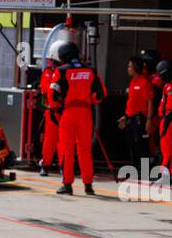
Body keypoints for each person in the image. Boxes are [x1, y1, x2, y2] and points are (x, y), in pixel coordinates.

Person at [52, 41, 105, 196]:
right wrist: (89, 101)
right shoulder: (91, 71)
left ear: (63, 56)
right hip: (85, 113)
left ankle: (67, 185)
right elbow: (101, 94)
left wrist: (57, 106)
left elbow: (53, 94)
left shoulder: (60, 71)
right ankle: (88, 185)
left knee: (67, 149)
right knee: (85, 149)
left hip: (68, 113)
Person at [117, 55, 154, 176]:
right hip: (130, 119)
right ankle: (134, 169)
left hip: (141, 119)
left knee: (141, 146)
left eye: (130, 66)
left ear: (136, 67)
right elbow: (131, 102)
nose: (128, 68)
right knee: (131, 144)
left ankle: (144, 172)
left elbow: (150, 102)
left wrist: (149, 120)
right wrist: (125, 116)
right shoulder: (133, 82)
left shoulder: (145, 83)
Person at [39, 54, 61, 177]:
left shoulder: (65, 71)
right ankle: (45, 165)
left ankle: (64, 166)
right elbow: (45, 90)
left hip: (64, 110)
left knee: (64, 140)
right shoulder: (47, 72)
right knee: (50, 140)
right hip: (51, 110)